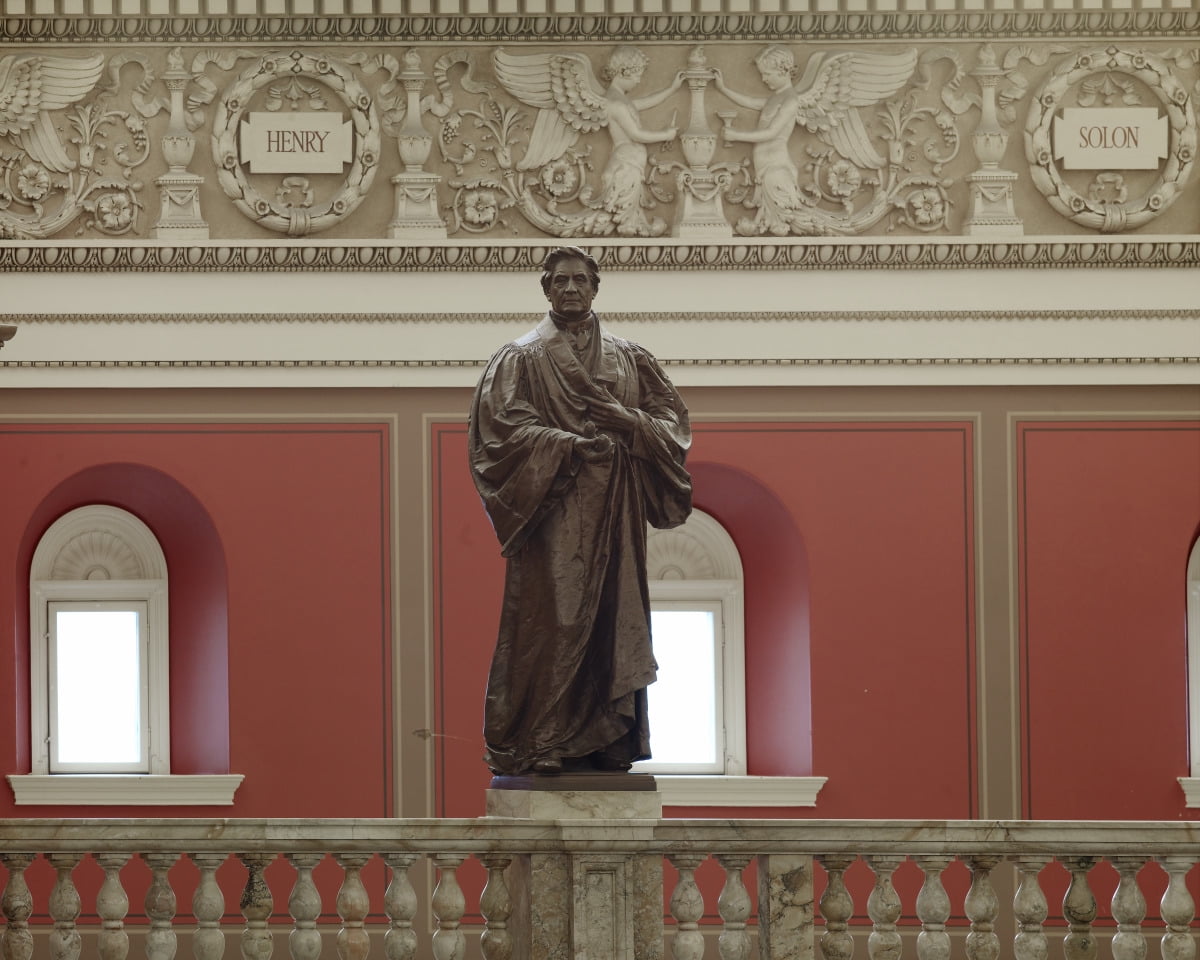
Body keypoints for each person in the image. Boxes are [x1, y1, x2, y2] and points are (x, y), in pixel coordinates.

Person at [468, 246, 692, 775]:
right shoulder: (519, 358)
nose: (570, 289)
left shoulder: (632, 358)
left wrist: (627, 420)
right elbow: (497, 434)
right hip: (554, 510)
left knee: (620, 616)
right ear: (545, 289)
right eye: (560, 281)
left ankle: (611, 736)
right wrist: (565, 445)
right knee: (555, 620)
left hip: (617, 510)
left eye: (580, 280)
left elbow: (673, 426)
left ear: (596, 287)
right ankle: (542, 738)